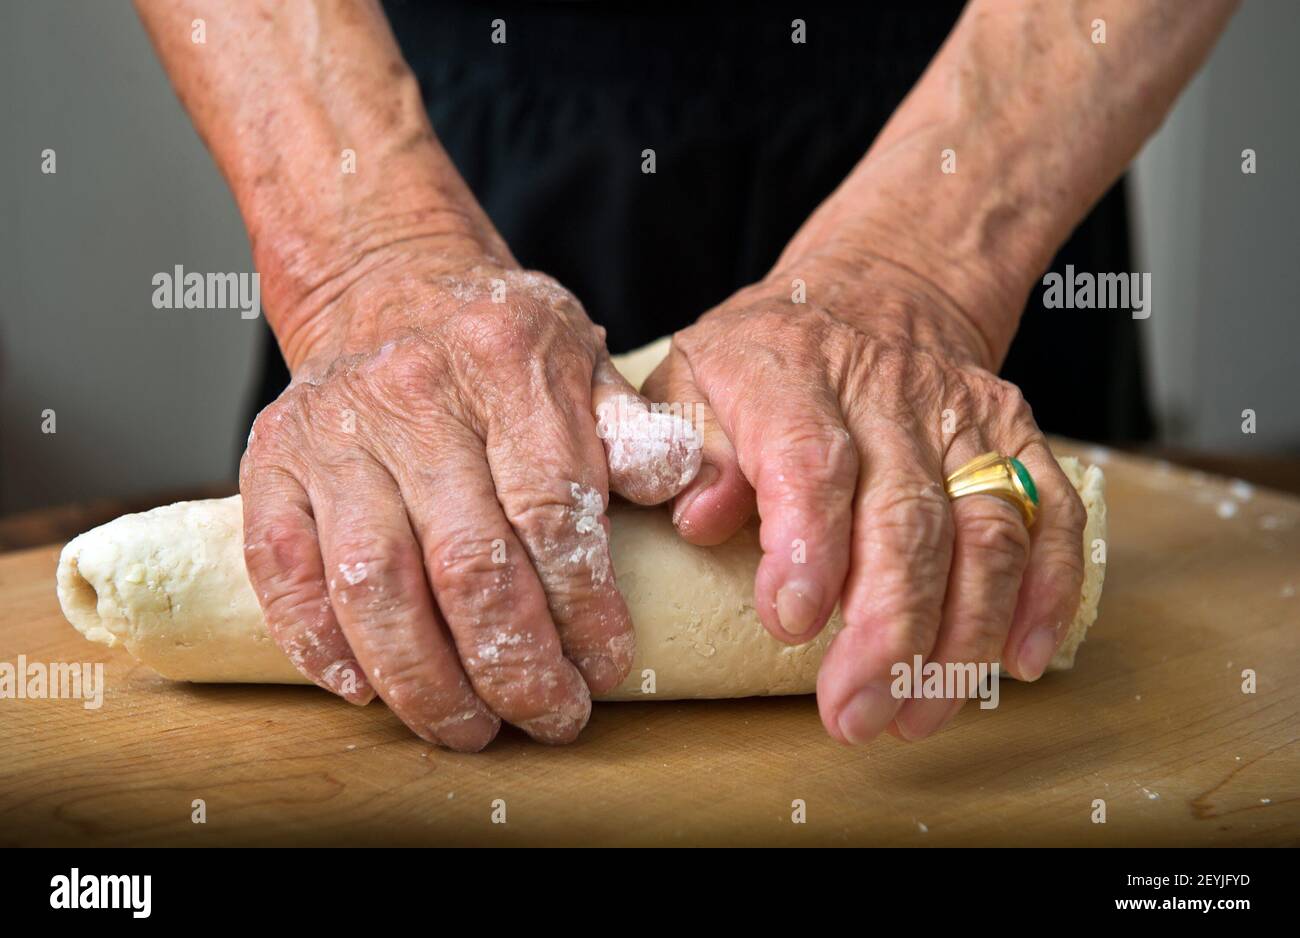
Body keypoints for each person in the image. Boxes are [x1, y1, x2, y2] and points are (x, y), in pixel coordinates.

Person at [134, 0, 1237, 751]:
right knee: (398, 550)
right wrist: (361, 259)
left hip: (995, 138)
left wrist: (923, 269)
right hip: (406, 127)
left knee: (970, 552)